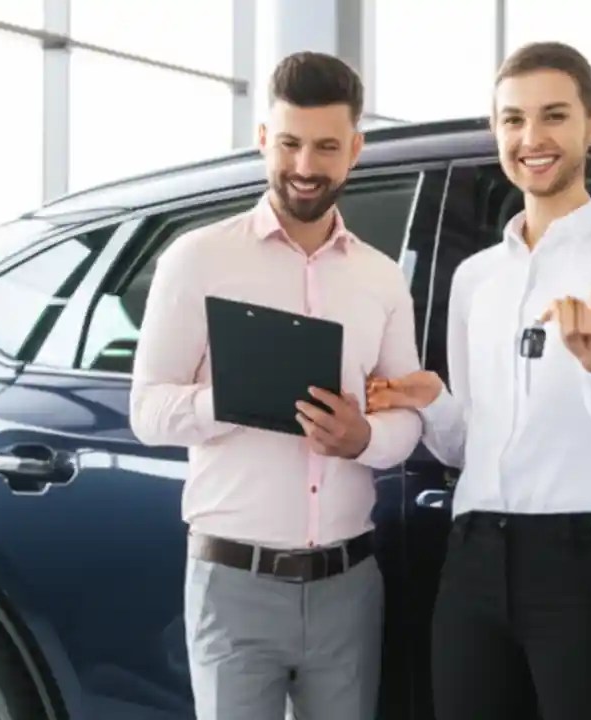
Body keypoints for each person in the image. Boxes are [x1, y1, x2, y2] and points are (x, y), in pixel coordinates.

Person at [367, 41, 591, 719]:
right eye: (512, 119)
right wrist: (434, 402)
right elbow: (468, 447)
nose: (531, 138)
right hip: (473, 557)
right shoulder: (476, 277)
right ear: (496, 130)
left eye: (553, 116)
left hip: (589, 560)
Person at [129, 51, 423, 720]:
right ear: (264, 138)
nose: (305, 165)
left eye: (326, 147)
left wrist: (362, 438)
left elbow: (405, 416)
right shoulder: (197, 258)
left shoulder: (380, 278)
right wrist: (239, 397)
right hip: (234, 584)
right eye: (289, 143)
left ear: (354, 149)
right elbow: (146, 409)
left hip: (348, 587)